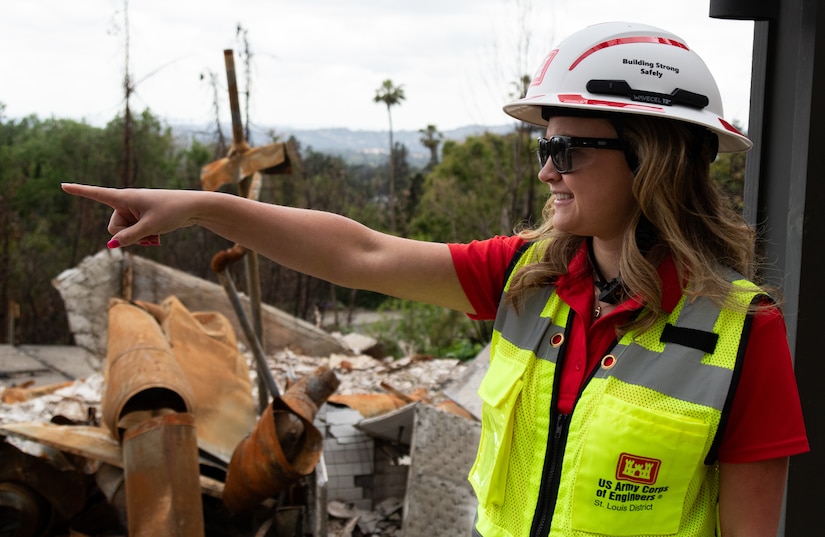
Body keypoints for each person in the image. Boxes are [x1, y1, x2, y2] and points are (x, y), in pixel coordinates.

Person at [63, 21, 808, 537]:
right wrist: (201, 207)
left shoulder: (741, 337)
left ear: (652, 158)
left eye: (568, 148)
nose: (546, 168)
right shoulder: (527, 277)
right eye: (540, 144)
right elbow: (359, 254)